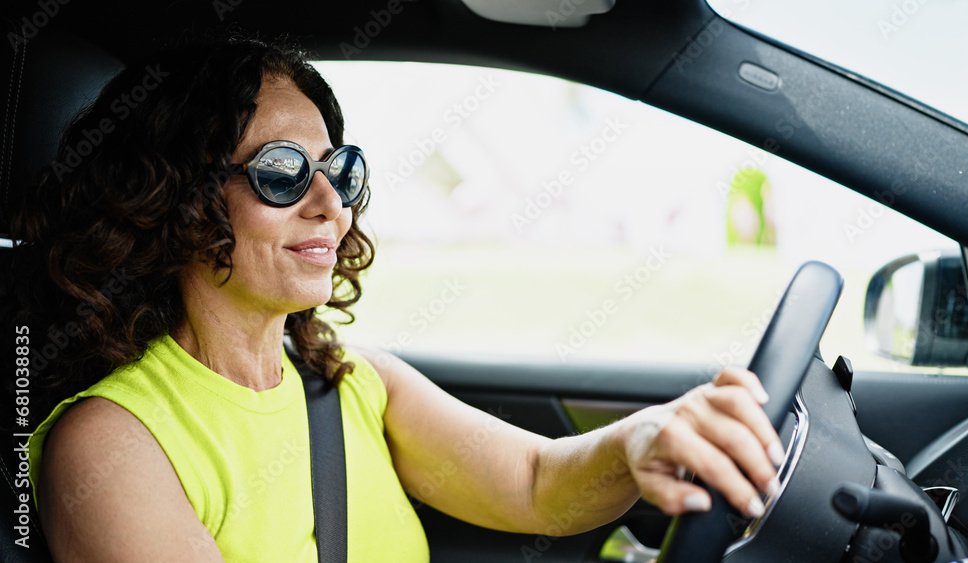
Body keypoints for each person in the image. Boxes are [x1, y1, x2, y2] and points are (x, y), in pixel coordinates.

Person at [9, 38, 783, 561]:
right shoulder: (109, 444)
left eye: (339, 170)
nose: (331, 204)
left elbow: (539, 484)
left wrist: (642, 438)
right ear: (172, 197)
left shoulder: (353, 384)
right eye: (282, 171)